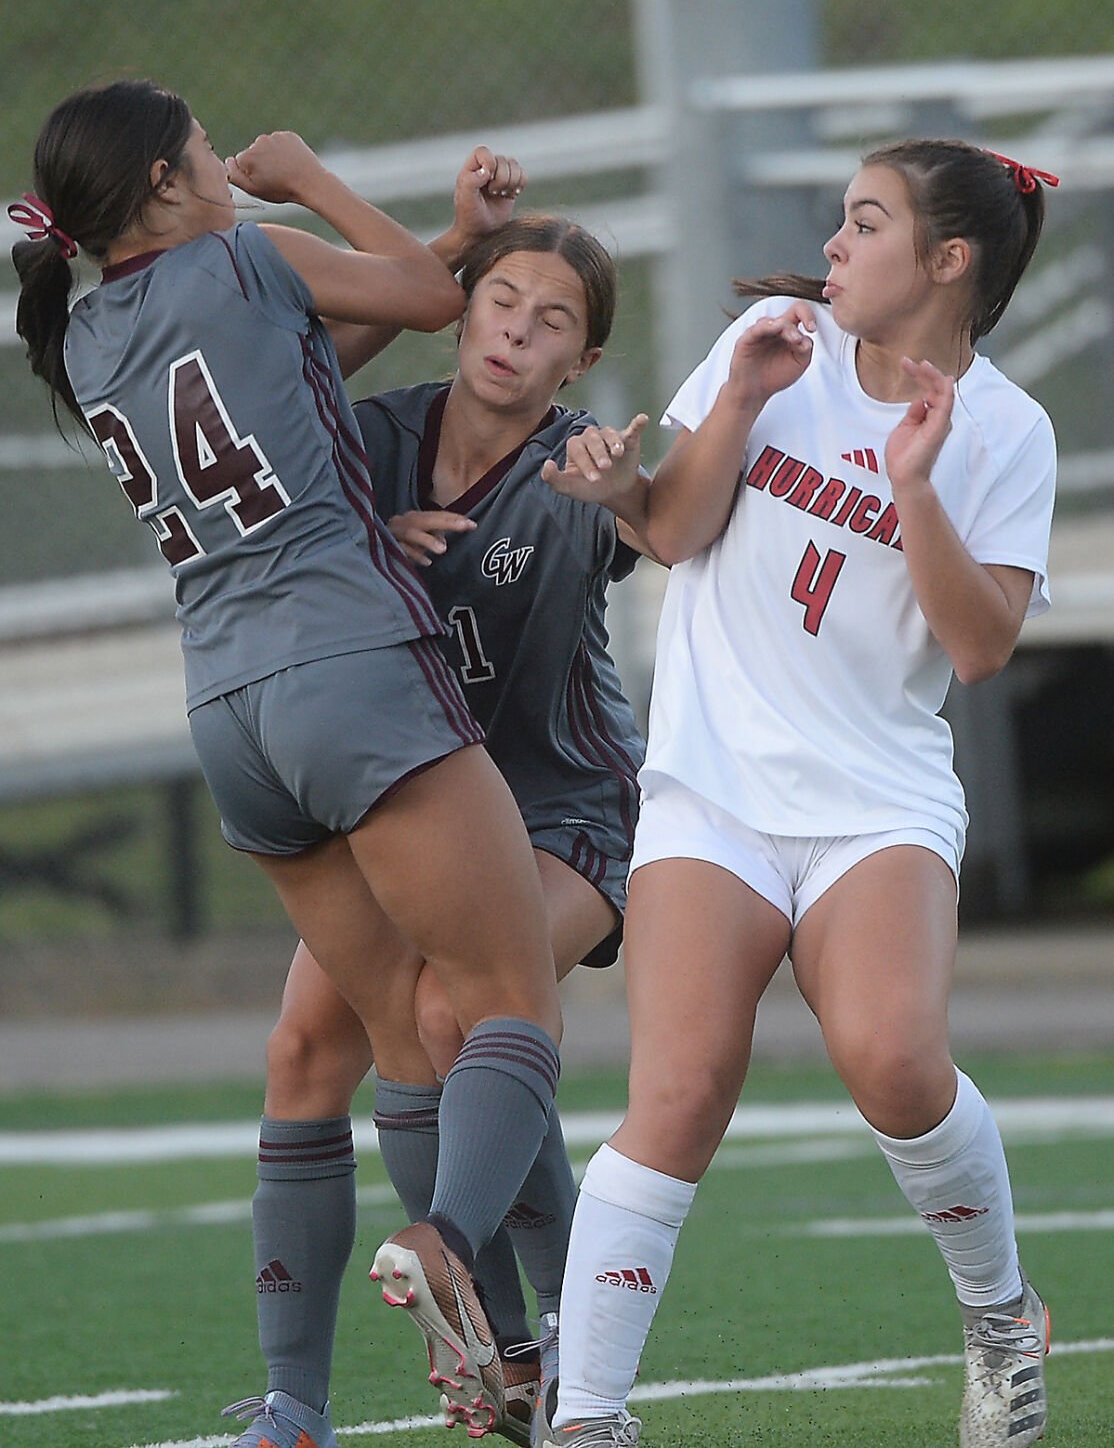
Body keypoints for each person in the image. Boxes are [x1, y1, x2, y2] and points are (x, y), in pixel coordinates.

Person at [8, 78, 567, 1448]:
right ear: (161, 178)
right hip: (348, 663)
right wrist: (308, 174)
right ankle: (458, 1258)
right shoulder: (247, 248)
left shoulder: (81, 339)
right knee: (507, 1002)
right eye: (202, 146)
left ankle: (327, 1403)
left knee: (401, 1040)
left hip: (230, 707)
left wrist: (435, 238)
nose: (221, 156)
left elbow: (310, 364)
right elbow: (426, 310)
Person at [535, 139, 1058, 1448]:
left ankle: (1000, 1315)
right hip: (710, 787)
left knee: (890, 1056)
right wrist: (691, 434)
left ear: (945, 261)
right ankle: (588, 1415)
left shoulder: (1005, 426)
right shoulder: (774, 343)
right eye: (838, 218)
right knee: (680, 1085)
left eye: (862, 221)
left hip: (874, 799)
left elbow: (978, 645)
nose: (830, 244)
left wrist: (915, 485)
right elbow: (667, 528)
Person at [255, 212, 645, 1447]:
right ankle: (293, 1409)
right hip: (406, 806)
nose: (518, 333)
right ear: (460, 306)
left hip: (564, 808)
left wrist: (641, 487)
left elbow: (669, 512)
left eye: (555, 322)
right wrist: (378, 547)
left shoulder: (575, 466)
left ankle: (542, 1354)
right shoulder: (375, 439)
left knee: (454, 1013)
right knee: (305, 1050)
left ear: (577, 363)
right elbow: (275, 398)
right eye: (501, 300)